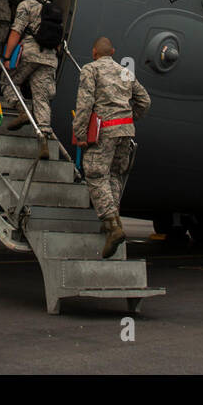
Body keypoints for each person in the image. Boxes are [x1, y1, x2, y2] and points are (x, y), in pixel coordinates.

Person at [72, 36, 151, 258]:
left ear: (94, 53)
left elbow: (85, 104)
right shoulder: (125, 71)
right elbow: (145, 100)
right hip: (126, 131)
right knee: (115, 174)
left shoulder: (91, 69)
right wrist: (130, 118)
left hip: (105, 131)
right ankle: (113, 223)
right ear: (113, 52)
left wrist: (80, 134)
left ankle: (112, 226)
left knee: (95, 173)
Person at [1, 0, 59, 156]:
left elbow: (16, 31)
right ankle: (43, 137)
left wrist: (7, 56)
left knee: (8, 81)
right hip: (49, 58)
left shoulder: (26, 5)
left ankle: (22, 111)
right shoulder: (54, 9)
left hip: (30, 54)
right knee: (41, 97)